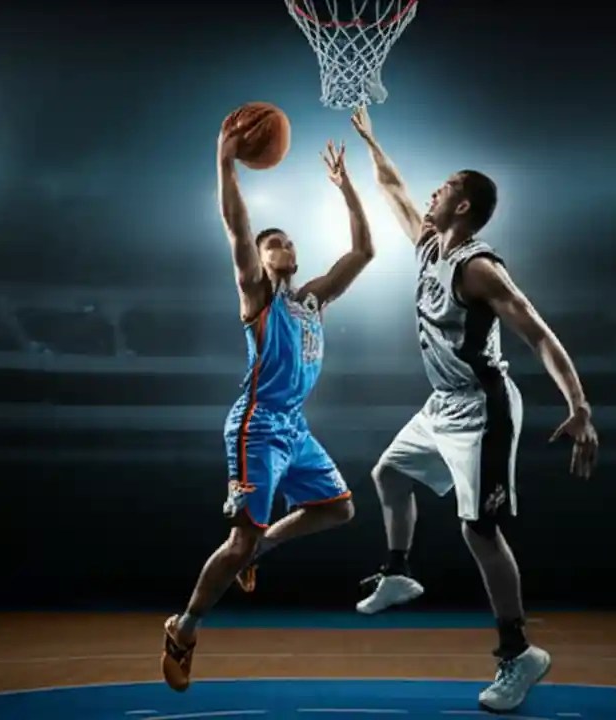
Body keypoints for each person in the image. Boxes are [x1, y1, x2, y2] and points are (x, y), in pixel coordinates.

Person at [348, 105, 599, 713]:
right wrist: (371, 141)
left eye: (445, 189)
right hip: (441, 403)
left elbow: (537, 333)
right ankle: (399, 571)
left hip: (483, 408)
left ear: (463, 206)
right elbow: (394, 189)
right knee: (387, 474)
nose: (432, 193)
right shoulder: (429, 243)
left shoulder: (479, 268)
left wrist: (580, 406)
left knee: (477, 529)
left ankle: (519, 654)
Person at [159, 126, 375, 692]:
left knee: (341, 510)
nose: (280, 246)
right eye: (271, 242)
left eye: (286, 241)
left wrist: (347, 186)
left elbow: (364, 251)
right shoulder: (259, 295)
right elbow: (236, 226)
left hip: (295, 430)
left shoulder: (313, 299)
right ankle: (184, 628)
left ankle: (263, 546)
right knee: (238, 540)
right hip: (256, 428)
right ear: (259, 259)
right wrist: (224, 162)